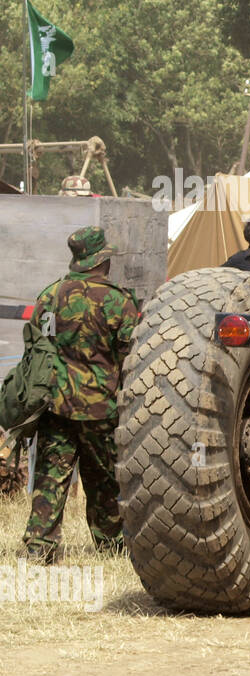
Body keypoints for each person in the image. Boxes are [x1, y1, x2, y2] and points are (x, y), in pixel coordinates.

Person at [22, 227, 141, 562]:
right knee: (104, 479)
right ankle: (110, 544)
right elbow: (131, 355)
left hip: (54, 405)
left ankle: (38, 547)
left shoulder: (49, 296)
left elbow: (35, 349)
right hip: (100, 408)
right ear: (102, 260)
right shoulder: (119, 300)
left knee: (50, 476)